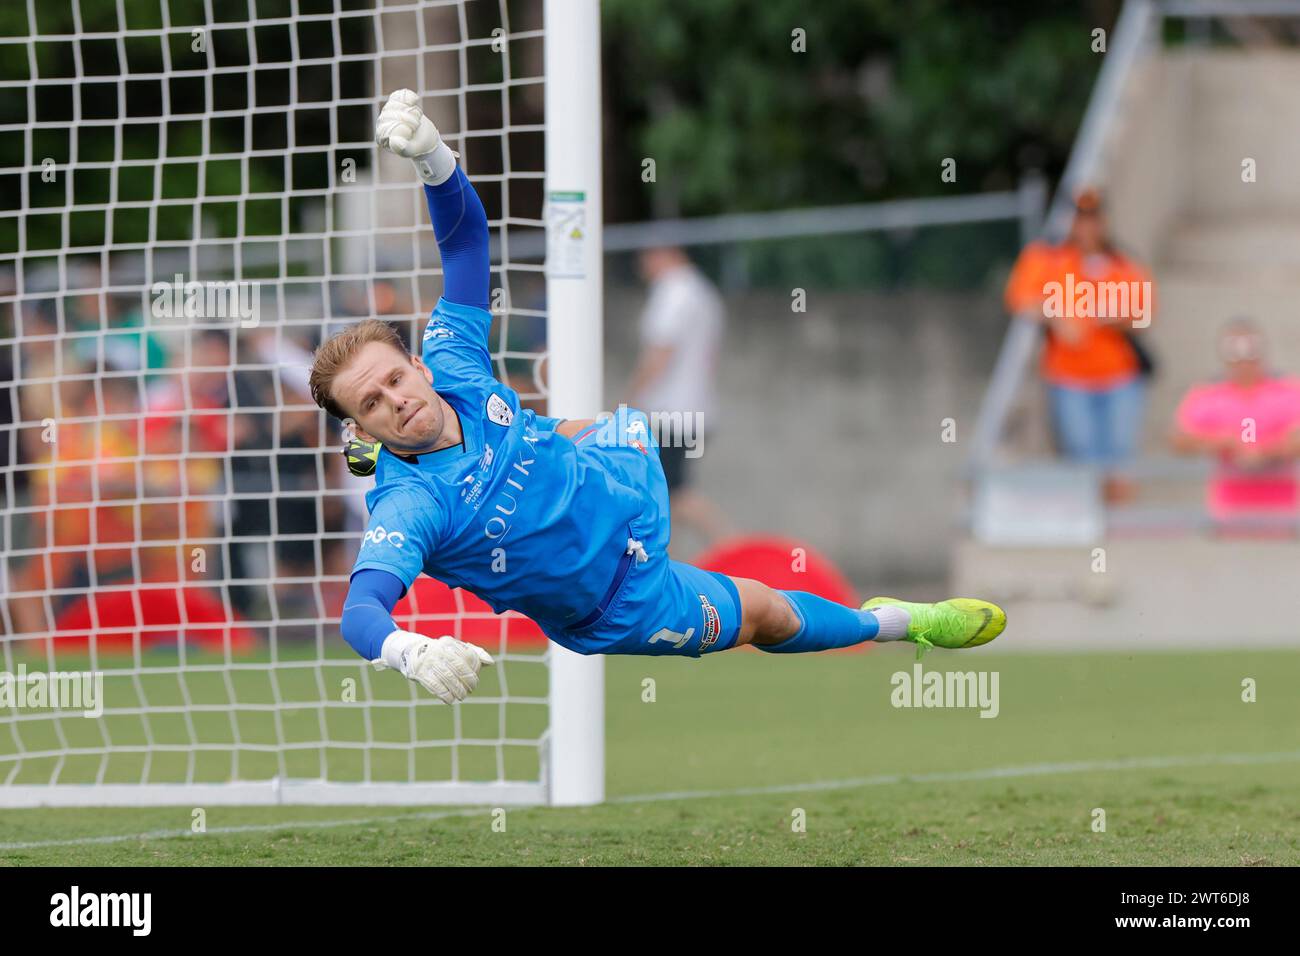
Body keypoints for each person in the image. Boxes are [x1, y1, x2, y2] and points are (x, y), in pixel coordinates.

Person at [308, 90, 1006, 704]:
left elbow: (464, 244)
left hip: (616, 466)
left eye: (395, 378)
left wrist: (434, 157)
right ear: (363, 427)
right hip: (621, 598)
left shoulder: (451, 359)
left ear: (417, 365)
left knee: (561, 427)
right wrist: (411, 651)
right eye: (371, 404)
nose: (393, 399)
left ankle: (551, 441)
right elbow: (360, 611)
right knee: (768, 616)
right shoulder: (410, 505)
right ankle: (896, 622)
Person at [1004, 189, 1155, 503]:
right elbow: (1020, 298)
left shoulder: (1122, 264)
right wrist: (1059, 315)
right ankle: (1093, 523)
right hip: (1068, 376)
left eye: (1092, 219)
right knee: (1081, 451)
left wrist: (1108, 317)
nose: (1086, 227)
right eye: (1080, 219)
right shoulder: (1048, 259)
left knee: (1119, 455)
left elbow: (1144, 315)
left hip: (1119, 375)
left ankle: (1116, 522)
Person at [626, 245, 731, 551]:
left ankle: (731, 544)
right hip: (696, 406)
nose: (643, 267)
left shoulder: (673, 291)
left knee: (673, 492)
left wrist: (631, 399)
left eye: (646, 257)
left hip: (672, 410)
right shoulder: (702, 291)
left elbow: (661, 351)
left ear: (666, 253)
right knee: (670, 492)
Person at [1171, 319, 1300, 532]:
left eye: (1250, 353)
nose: (1244, 363)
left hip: (1283, 516)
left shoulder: (1288, 391)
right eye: (1236, 354)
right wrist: (1221, 441)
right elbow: (1179, 439)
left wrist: (1268, 451)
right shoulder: (1207, 394)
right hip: (1228, 515)